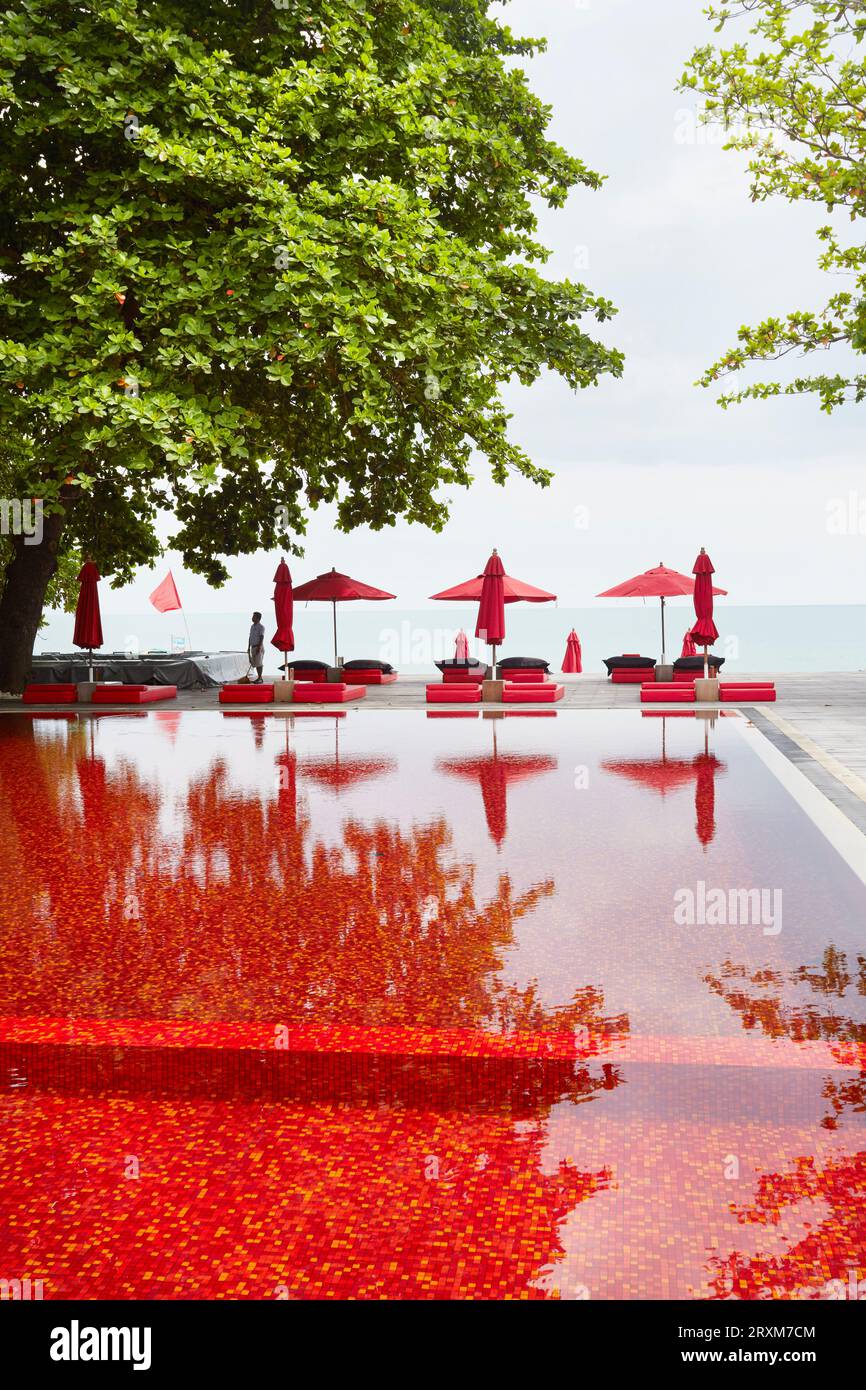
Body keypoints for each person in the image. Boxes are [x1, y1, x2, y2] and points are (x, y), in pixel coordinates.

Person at [248, 611, 265, 684]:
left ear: (258, 618)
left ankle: (260, 678)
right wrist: (248, 647)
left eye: (254, 616)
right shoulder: (252, 626)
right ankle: (259, 678)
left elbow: (261, 637)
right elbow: (250, 637)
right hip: (253, 647)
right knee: (255, 663)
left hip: (258, 646)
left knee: (259, 663)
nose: (252, 618)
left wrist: (259, 647)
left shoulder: (261, 627)